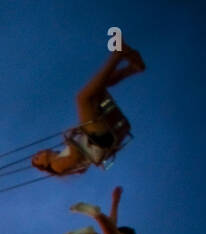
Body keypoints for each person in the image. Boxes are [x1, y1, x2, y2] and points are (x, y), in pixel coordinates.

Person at [32, 45, 144, 176]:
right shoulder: (56, 166)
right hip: (99, 141)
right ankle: (118, 55)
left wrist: (74, 136)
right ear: (44, 165)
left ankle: (133, 68)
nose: (37, 153)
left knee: (97, 91)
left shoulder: (60, 157)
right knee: (82, 99)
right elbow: (76, 156)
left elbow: (80, 162)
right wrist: (70, 139)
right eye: (37, 158)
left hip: (99, 139)